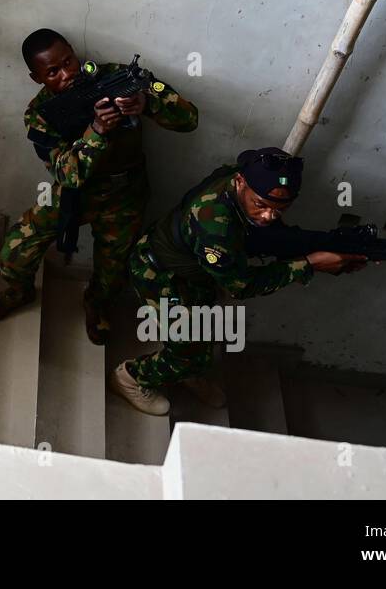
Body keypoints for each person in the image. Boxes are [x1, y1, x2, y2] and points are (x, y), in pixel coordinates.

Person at [110, 147, 367, 416]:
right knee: (184, 350)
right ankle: (130, 378)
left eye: (280, 209)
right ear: (240, 182)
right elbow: (241, 287)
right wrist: (310, 263)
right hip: (159, 275)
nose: (269, 216)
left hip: (194, 273)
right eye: (261, 205)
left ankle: (189, 371)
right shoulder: (215, 227)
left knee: (203, 333)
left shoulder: (243, 178)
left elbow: (268, 236)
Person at [0, 29, 198, 343]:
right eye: (53, 72)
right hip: (74, 194)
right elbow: (68, 175)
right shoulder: (41, 115)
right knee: (15, 250)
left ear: (73, 51)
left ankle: (97, 305)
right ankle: (19, 291)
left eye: (69, 61)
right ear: (36, 77)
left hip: (125, 195)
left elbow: (189, 119)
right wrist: (96, 130)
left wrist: (146, 103)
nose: (67, 74)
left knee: (113, 270)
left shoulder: (117, 78)